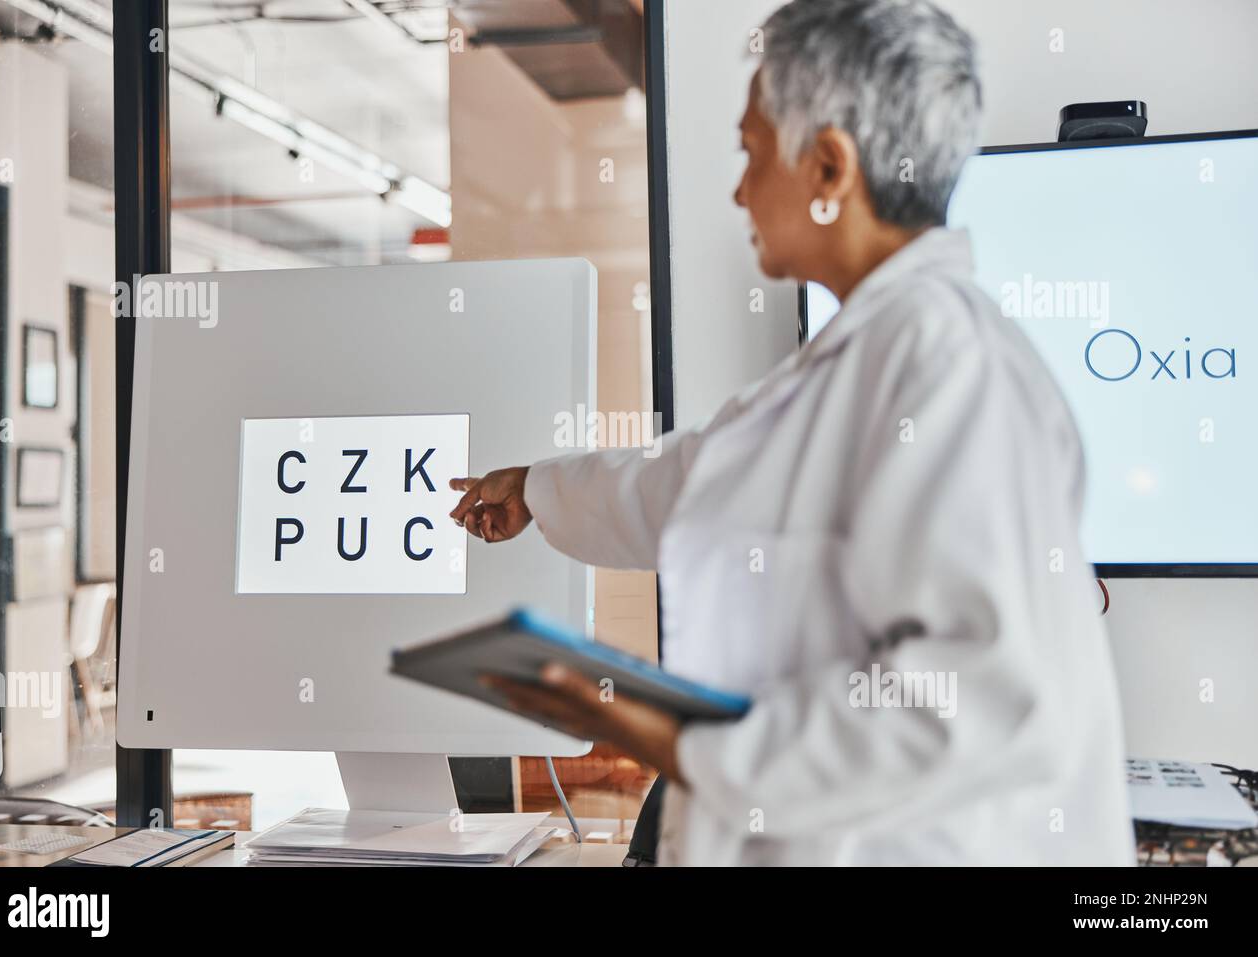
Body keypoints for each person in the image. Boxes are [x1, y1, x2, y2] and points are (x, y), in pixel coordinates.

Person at [450, 0, 1134, 866]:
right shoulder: (856, 361)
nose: (739, 188)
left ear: (828, 166)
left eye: (751, 149)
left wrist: (673, 735)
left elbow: (964, 701)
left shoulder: (949, 365)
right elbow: (692, 480)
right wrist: (538, 486)